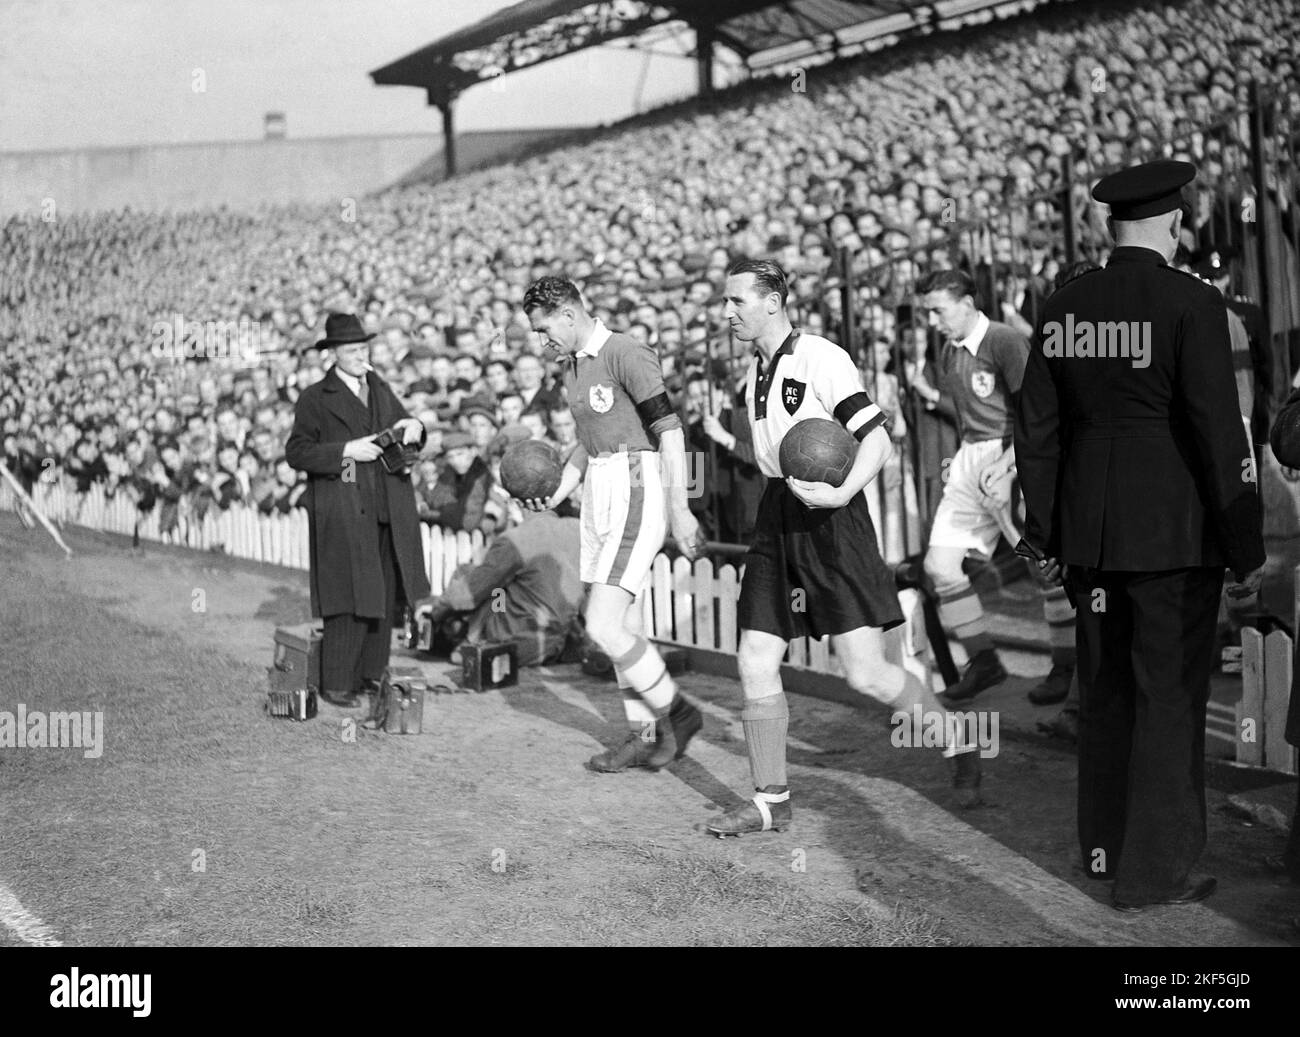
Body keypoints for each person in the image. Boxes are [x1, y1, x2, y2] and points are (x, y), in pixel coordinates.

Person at [1015, 160, 1265, 912]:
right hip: (1172, 533)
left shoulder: (1064, 305)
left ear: (1109, 226)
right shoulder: (1192, 301)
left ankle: (1103, 848)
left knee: (1109, 689)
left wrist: (1047, 530)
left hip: (1092, 535)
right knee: (1169, 698)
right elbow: (1220, 432)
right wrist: (1243, 541)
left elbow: (1037, 430)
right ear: (1174, 224)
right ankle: (1154, 873)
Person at [706, 259, 981, 837]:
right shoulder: (755, 368)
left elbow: (876, 438)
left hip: (833, 518)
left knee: (866, 674)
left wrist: (840, 495)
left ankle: (960, 742)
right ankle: (771, 800)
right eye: (725, 302)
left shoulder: (821, 357)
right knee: (755, 656)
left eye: (737, 301)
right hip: (776, 515)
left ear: (774, 303)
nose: (726, 312)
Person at [521, 276, 704, 773]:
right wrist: (556, 495)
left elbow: (669, 433)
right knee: (625, 624)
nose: (543, 341)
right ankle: (643, 734)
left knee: (600, 624)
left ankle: (679, 712)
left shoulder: (627, 352)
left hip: (636, 484)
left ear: (569, 314)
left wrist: (681, 507)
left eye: (544, 330)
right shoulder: (571, 370)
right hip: (599, 490)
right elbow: (584, 443)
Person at [911, 270, 1074, 704]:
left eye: (937, 311)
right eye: (927, 312)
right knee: (940, 567)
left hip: (1013, 456)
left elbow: (1036, 412)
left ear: (966, 303)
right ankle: (984, 662)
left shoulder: (1004, 340)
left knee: (1044, 569)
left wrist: (1010, 463)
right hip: (971, 460)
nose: (932, 321)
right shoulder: (950, 349)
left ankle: (1066, 670)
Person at [285, 312, 431, 708]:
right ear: (332, 353)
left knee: (383, 593)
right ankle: (336, 683)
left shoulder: (379, 386)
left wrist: (415, 425)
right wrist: (346, 450)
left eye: (362, 348)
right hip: (344, 506)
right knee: (348, 596)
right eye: (350, 350)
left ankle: (370, 674)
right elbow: (296, 452)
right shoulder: (315, 397)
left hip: (386, 501)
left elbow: (402, 422)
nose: (358, 355)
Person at [415, 502, 583, 667]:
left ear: (520, 503)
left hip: (513, 642)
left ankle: (469, 639)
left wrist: (435, 611)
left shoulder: (518, 538)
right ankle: (466, 632)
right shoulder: (578, 530)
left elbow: (469, 593)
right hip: (557, 641)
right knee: (493, 584)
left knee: (477, 579)